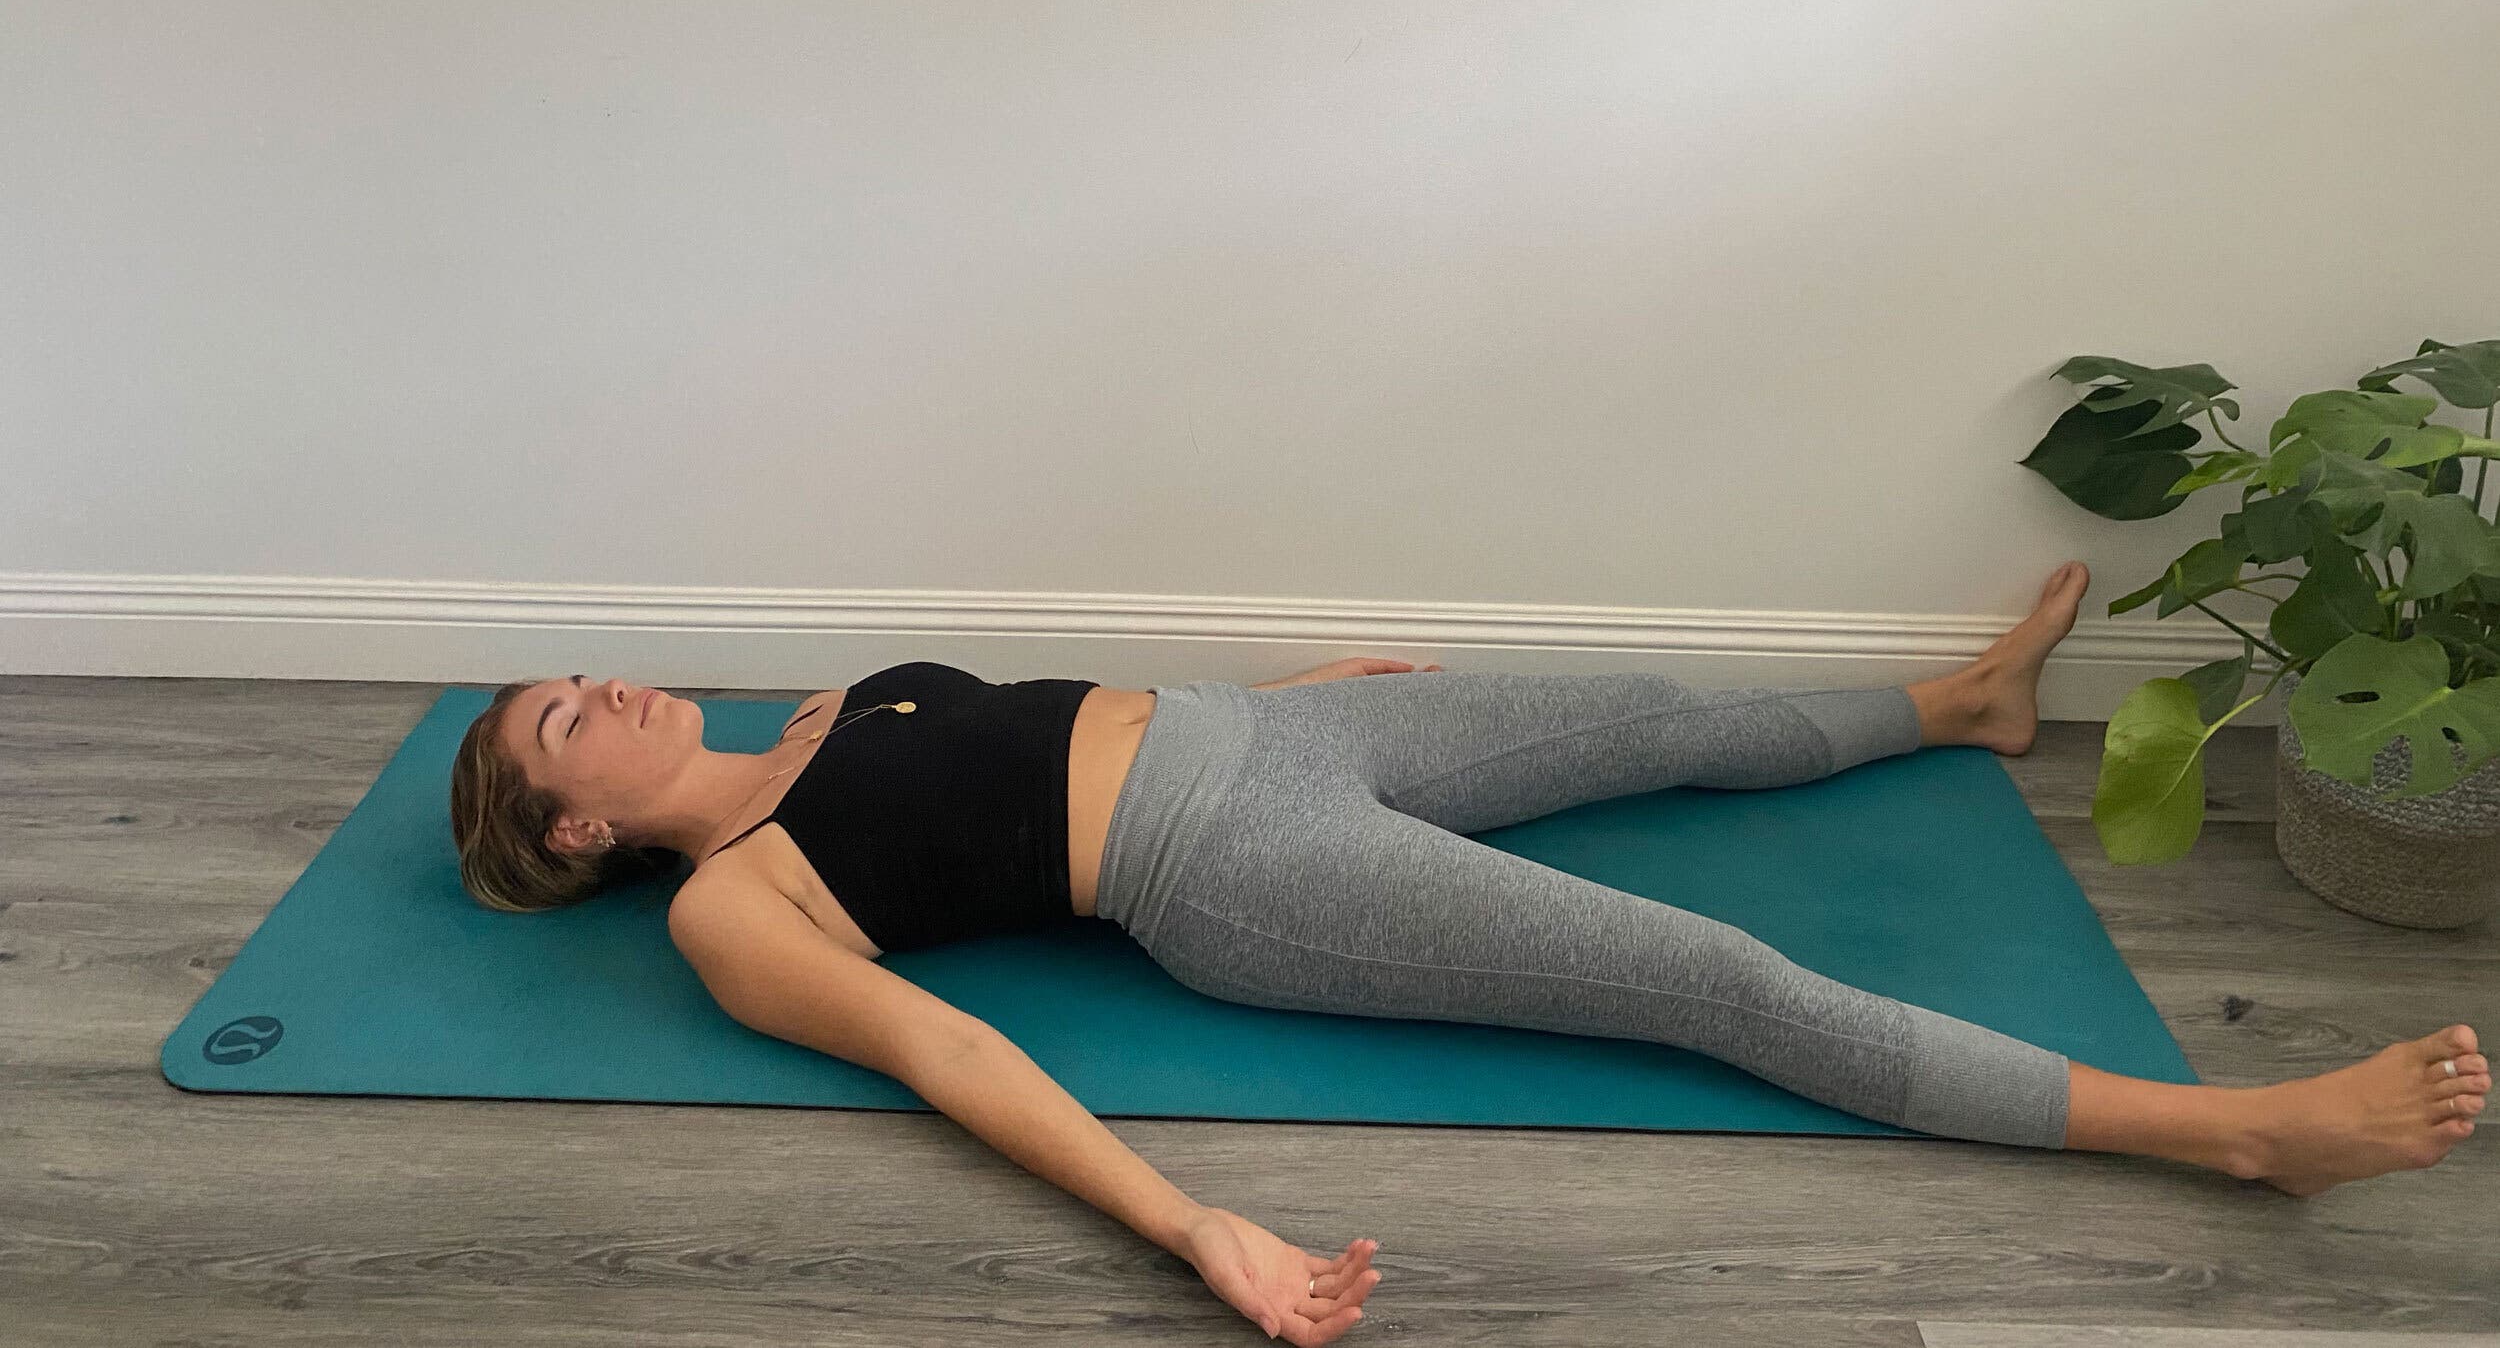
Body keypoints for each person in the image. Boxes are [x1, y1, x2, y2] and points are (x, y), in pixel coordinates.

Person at [449, 561, 2485, 1348]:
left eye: (575, 674)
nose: (604, 689)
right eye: (564, 720)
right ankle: (2228, 1132)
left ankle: (1961, 707)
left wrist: (1271, 684)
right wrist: (1196, 1231)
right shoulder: (733, 901)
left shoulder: (823, 712)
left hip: (1280, 731)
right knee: (1720, 978)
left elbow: (1024, 728)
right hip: (1234, 870)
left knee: (1655, 716)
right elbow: (940, 1050)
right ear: (572, 832)